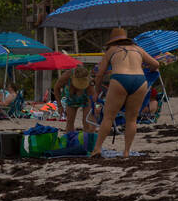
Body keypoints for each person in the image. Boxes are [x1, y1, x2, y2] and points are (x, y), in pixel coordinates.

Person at [92, 28, 159, 158]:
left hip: (120, 79)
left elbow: (99, 74)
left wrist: (96, 91)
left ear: (112, 41)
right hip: (140, 80)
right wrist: (147, 67)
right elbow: (155, 64)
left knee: (108, 117)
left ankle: (97, 149)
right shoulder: (138, 49)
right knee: (132, 119)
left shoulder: (111, 51)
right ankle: (126, 152)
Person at [52, 66, 93, 134]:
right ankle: (70, 140)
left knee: (86, 121)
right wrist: (59, 105)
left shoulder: (89, 80)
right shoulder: (66, 77)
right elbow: (56, 88)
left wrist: (93, 108)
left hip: (85, 98)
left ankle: (87, 141)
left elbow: (92, 96)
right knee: (70, 122)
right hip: (71, 99)